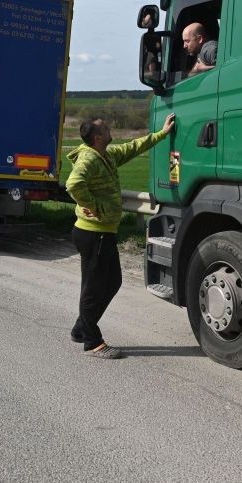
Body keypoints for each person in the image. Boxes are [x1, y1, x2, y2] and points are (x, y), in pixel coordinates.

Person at [65, 112, 176, 358]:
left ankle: (81, 328)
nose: (109, 128)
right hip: (93, 233)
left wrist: (162, 133)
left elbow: (134, 146)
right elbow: (73, 184)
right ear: (97, 137)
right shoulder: (89, 160)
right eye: (104, 127)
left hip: (103, 233)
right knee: (93, 288)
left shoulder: (107, 155)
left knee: (112, 282)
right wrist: (93, 205)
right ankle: (92, 342)